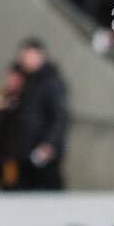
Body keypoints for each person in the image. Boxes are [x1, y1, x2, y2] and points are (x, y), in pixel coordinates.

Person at [11, 39, 69, 190]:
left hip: (42, 152)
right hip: (25, 151)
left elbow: (60, 116)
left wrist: (49, 144)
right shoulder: (27, 81)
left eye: (28, 56)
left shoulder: (51, 82)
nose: (24, 60)